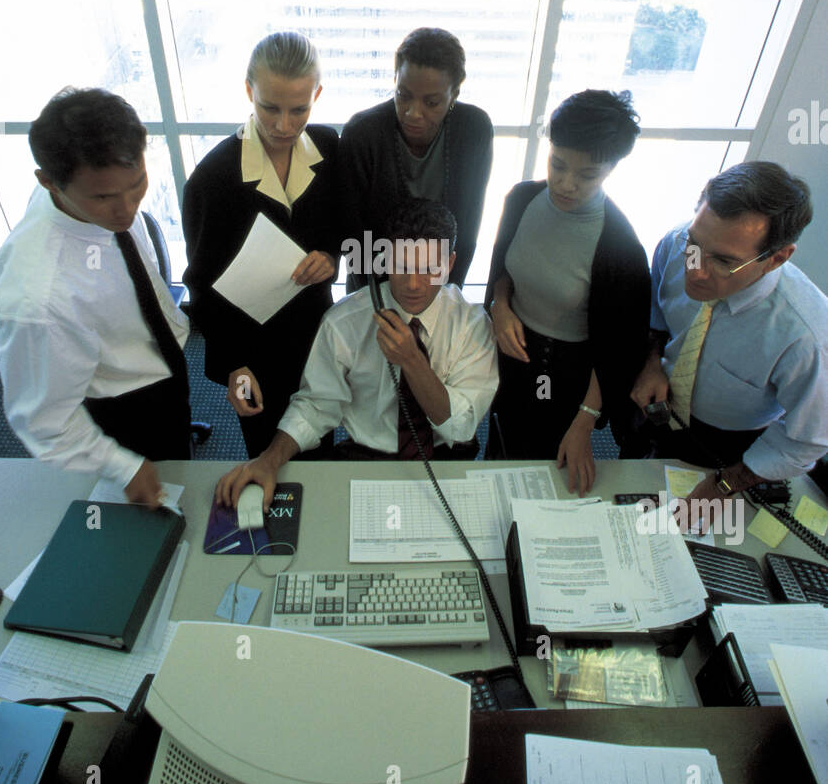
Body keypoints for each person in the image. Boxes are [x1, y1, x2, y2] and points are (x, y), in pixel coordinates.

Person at [215, 199, 498, 510]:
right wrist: (269, 459)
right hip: (365, 455)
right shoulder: (344, 320)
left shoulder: (472, 324)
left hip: (445, 455)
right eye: (402, 266)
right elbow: (316, 406)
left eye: (429, 269)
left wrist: (413, 362)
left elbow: (460, 427)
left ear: (450, 263)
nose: (415, 284)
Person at [0, 88, 190, 509]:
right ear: (49, 182)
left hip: (162, 364)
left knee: (180, 463)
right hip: (122, 408)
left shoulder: (105, 194)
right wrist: (123, 466)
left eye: (136, 186)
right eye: (103, 197)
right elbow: (44, 420)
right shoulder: (37, 298)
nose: (127, 210)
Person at [628, 161, 828, 516]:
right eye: (695, 244)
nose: (694, 269)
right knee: (626, 494)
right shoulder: (676, 244)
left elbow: (805, 441)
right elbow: (658, 315)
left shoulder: (807, 337)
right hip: (658, 405)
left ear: (776, 258)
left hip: (731, 448)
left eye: (722, 261)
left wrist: (724, 484)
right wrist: (651, 362)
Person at [182, 32, 340, 457]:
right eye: (269, 107)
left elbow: (342, 228)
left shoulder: (329, 150)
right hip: (252, 348)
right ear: (249, 90)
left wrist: (330, 257)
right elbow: (201, 286)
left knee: (321, 434)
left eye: (299, 109)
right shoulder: (212, 180)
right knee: (268, 449)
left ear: (317, 95)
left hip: (315, 331)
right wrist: (232, 366)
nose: (283, 125)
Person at [485, 89, 650, 493]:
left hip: (564, 372)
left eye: (586, 175)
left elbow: (619, 350)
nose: (566, 183)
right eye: (557, 164)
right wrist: (500, 305)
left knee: (543, 470)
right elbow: (504, 269)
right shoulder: (523, 198)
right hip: (510, 346)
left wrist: (585, 419)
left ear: (611, 169)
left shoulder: (620, 249)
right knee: (499, 444)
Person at [338, 27, 493, 290]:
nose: (413, 113)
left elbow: (467, 230)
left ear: (454, 94)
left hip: (437, 288)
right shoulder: (362, 133)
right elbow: (353, 234)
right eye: (403, 95)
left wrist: (444, 297)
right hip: (372, 288)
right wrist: (379, 303)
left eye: (431, 103)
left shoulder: (473, 130)